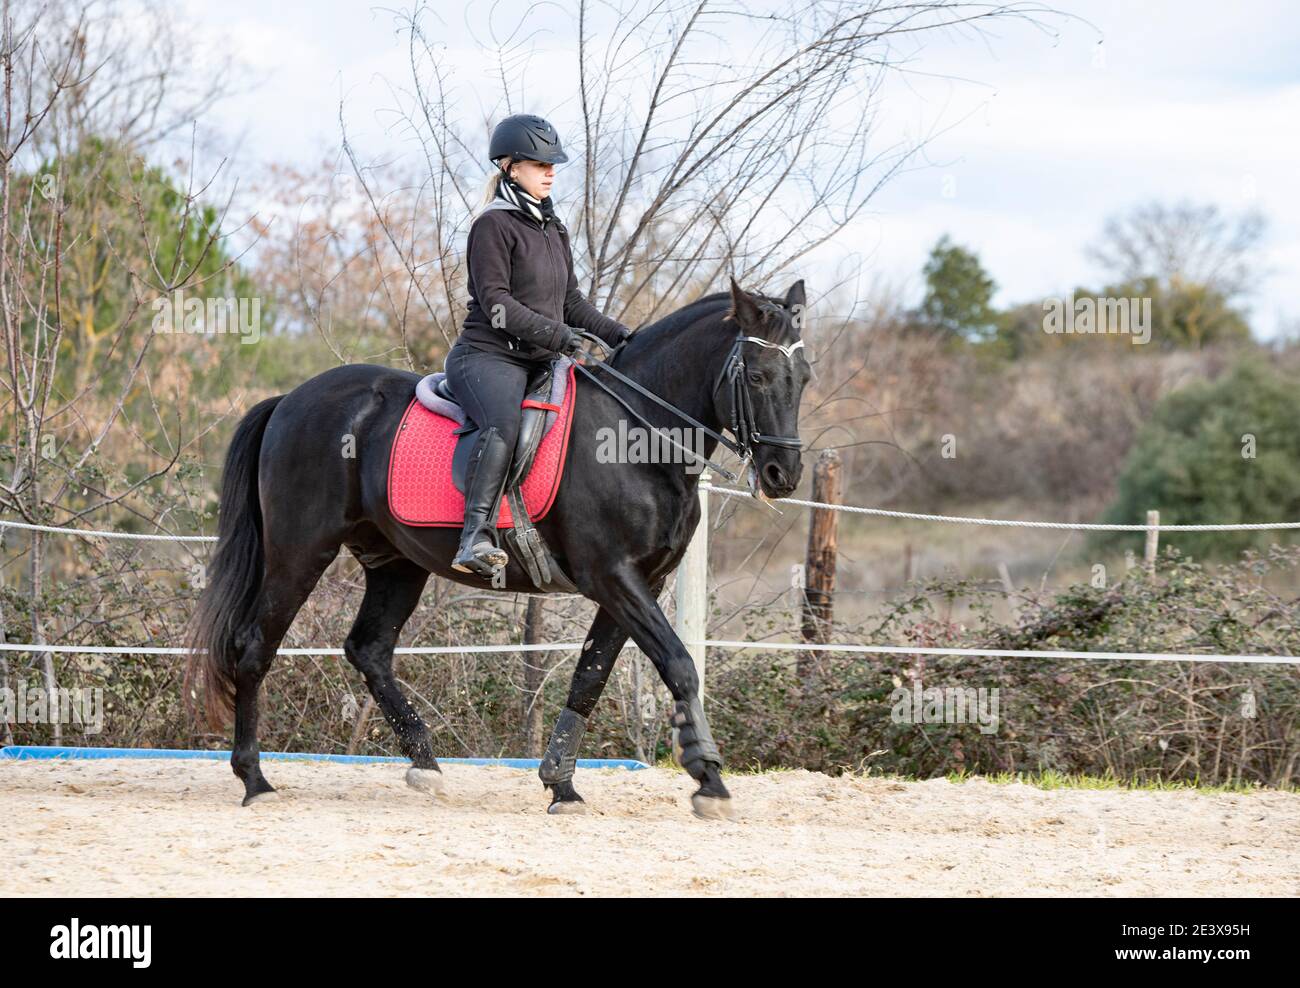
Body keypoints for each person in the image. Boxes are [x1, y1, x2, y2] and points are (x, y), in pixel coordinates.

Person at [447, 113, 634, 576]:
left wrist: (621, 335)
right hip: (487, 358)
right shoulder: (493, 227)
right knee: (502, 424)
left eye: (553, 164)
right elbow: (497, 303)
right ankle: (475, 535)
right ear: (511, 167)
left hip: (541, 360)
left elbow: (570, 300)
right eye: (538, 164)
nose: (550, 171)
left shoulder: (553, 228)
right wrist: (562, 337)